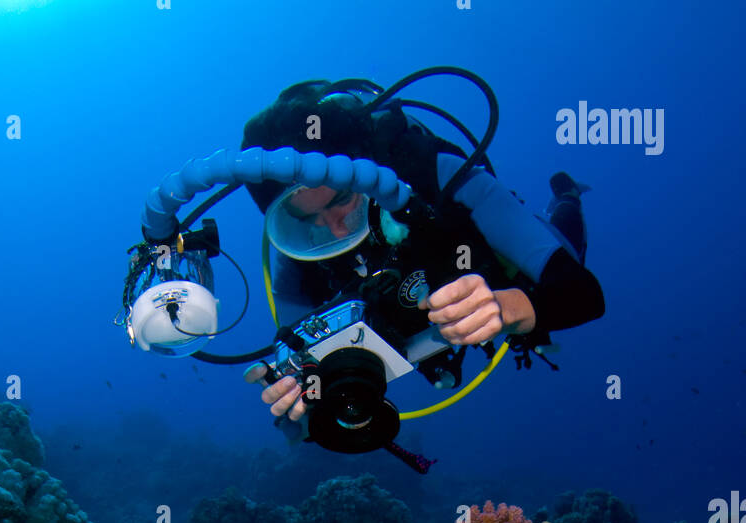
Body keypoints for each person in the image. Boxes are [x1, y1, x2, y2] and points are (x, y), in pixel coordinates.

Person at [239, 80, 605, 426]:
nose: (334, 229)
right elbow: (307, 370)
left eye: (342, 200)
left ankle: (567, 197)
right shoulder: (295, 252)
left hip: (503, 273)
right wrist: (300, 391)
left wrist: (514, 309)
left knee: (565, 245)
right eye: (310, 219)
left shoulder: (435, 173)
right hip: (425, 339)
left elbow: (583, 294)